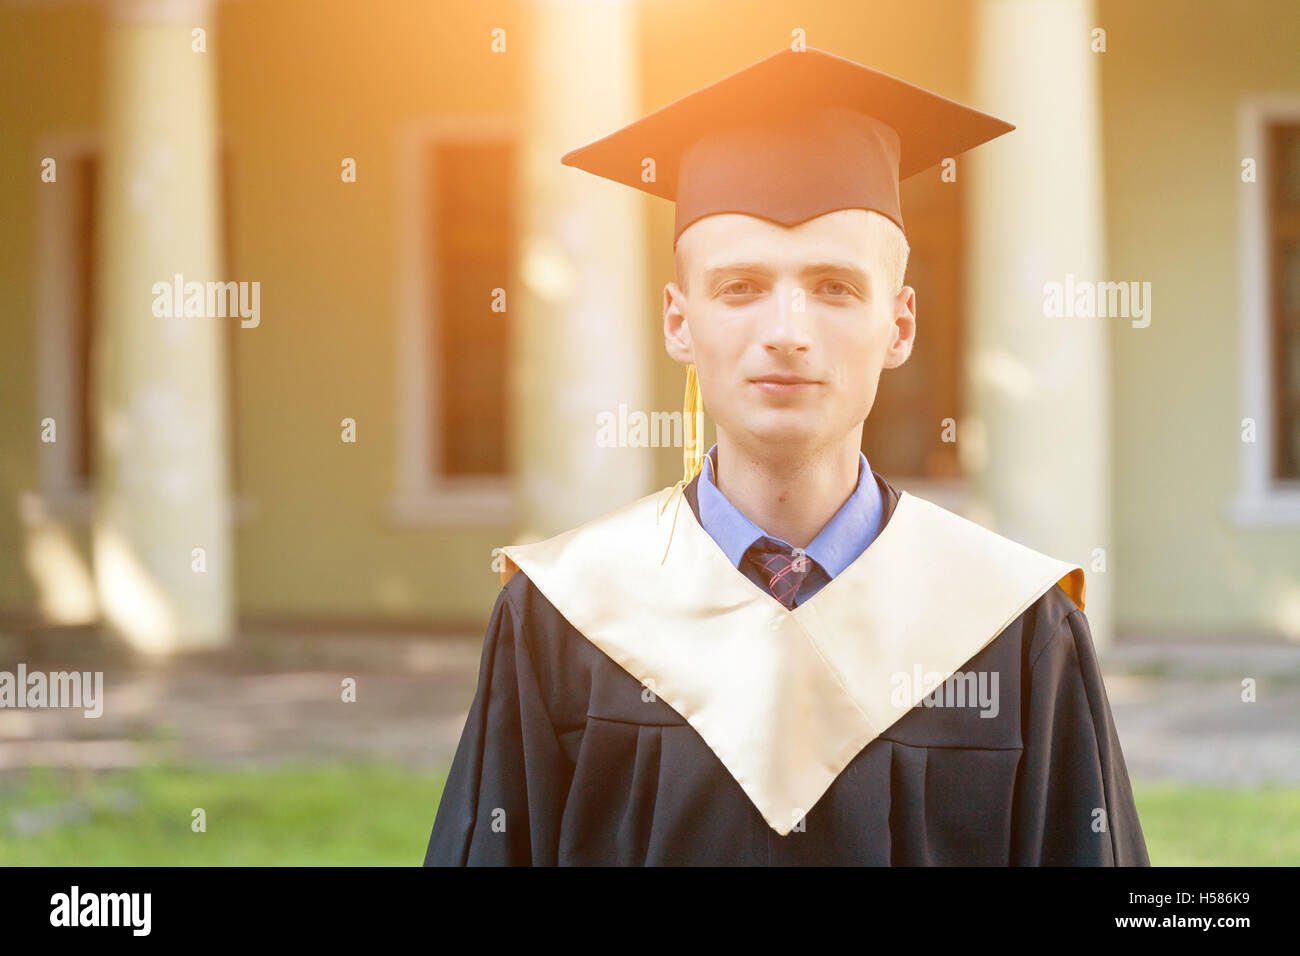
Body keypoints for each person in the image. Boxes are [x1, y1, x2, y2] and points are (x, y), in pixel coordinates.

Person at [424, 45, 1149, 866]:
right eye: (739, 287)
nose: (787, 331)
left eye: (836, 287)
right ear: (678, 321)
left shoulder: (1017, 628)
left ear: (901, 325)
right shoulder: (564, 618)